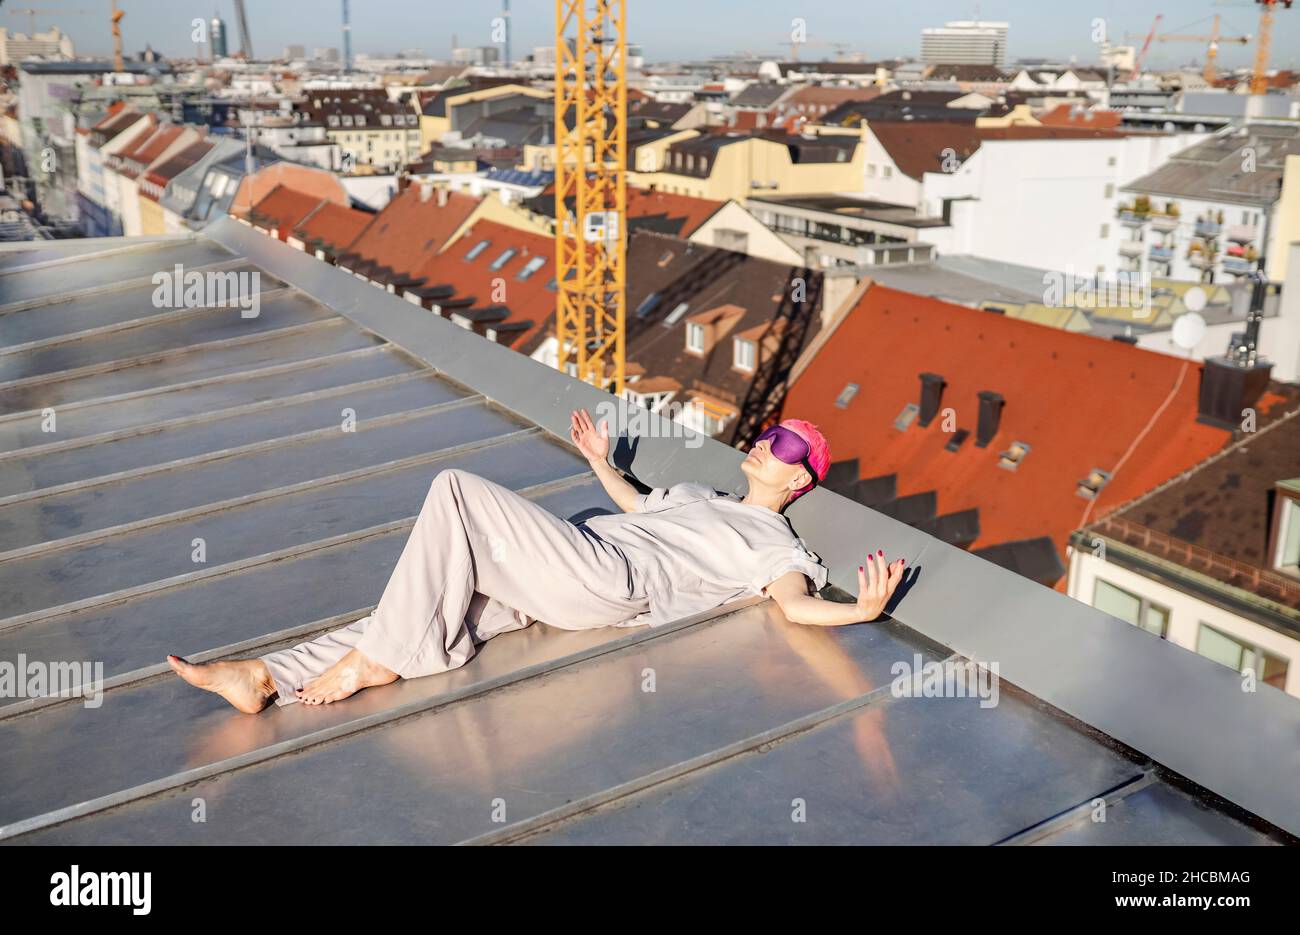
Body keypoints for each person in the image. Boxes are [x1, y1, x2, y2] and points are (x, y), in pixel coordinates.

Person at [168, 409, 905, 713]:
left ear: (801, 479)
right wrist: (598, 461)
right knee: (431, 601)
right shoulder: (695, 493)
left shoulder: (777, 545)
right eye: (768, 433)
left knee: (454, 491)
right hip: (581, 557)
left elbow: (793, 603)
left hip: (611, 581)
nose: (764, 445)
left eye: (783, 448)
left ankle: (381, 662)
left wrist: (860, 610)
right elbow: (635, 502)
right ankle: (265, 676)